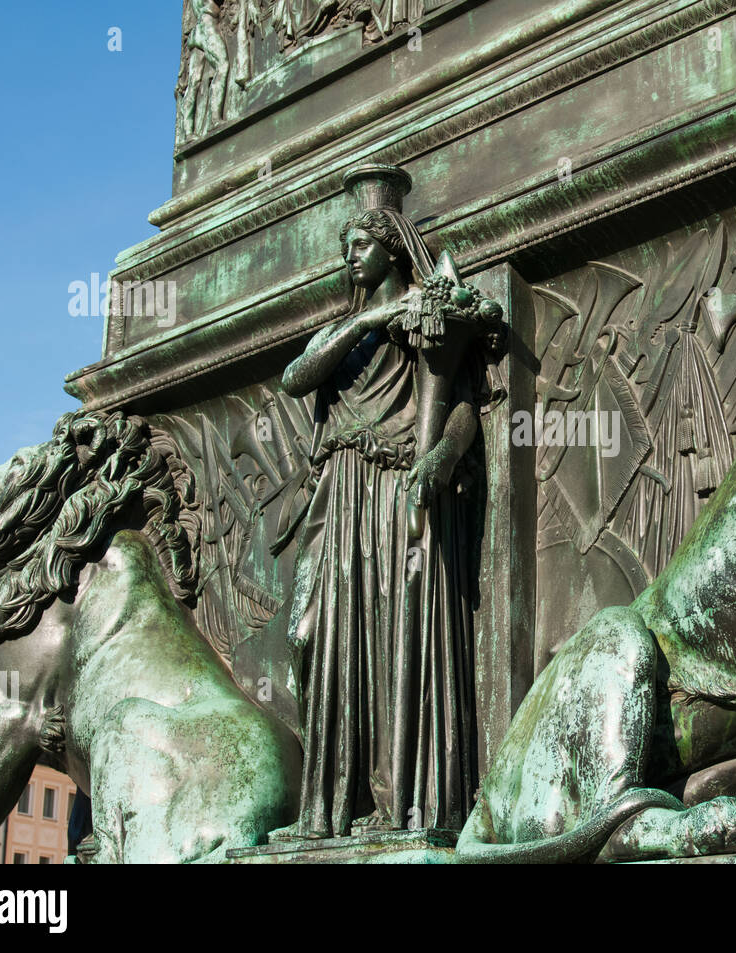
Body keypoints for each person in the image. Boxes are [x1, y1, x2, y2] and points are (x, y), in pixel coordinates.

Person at [272, 166, 498, 837]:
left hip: (395, 488)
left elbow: (462, 407)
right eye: (346, 248)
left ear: (393, 252)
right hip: (340, 495)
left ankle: (396, 805)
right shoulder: (352, 328)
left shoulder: (428, 316)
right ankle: (331, 803)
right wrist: (368, 316)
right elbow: (295, 377)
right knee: (311, 635)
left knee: (396, 637)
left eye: (360, 247)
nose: (349, 257)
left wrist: (443, 455)